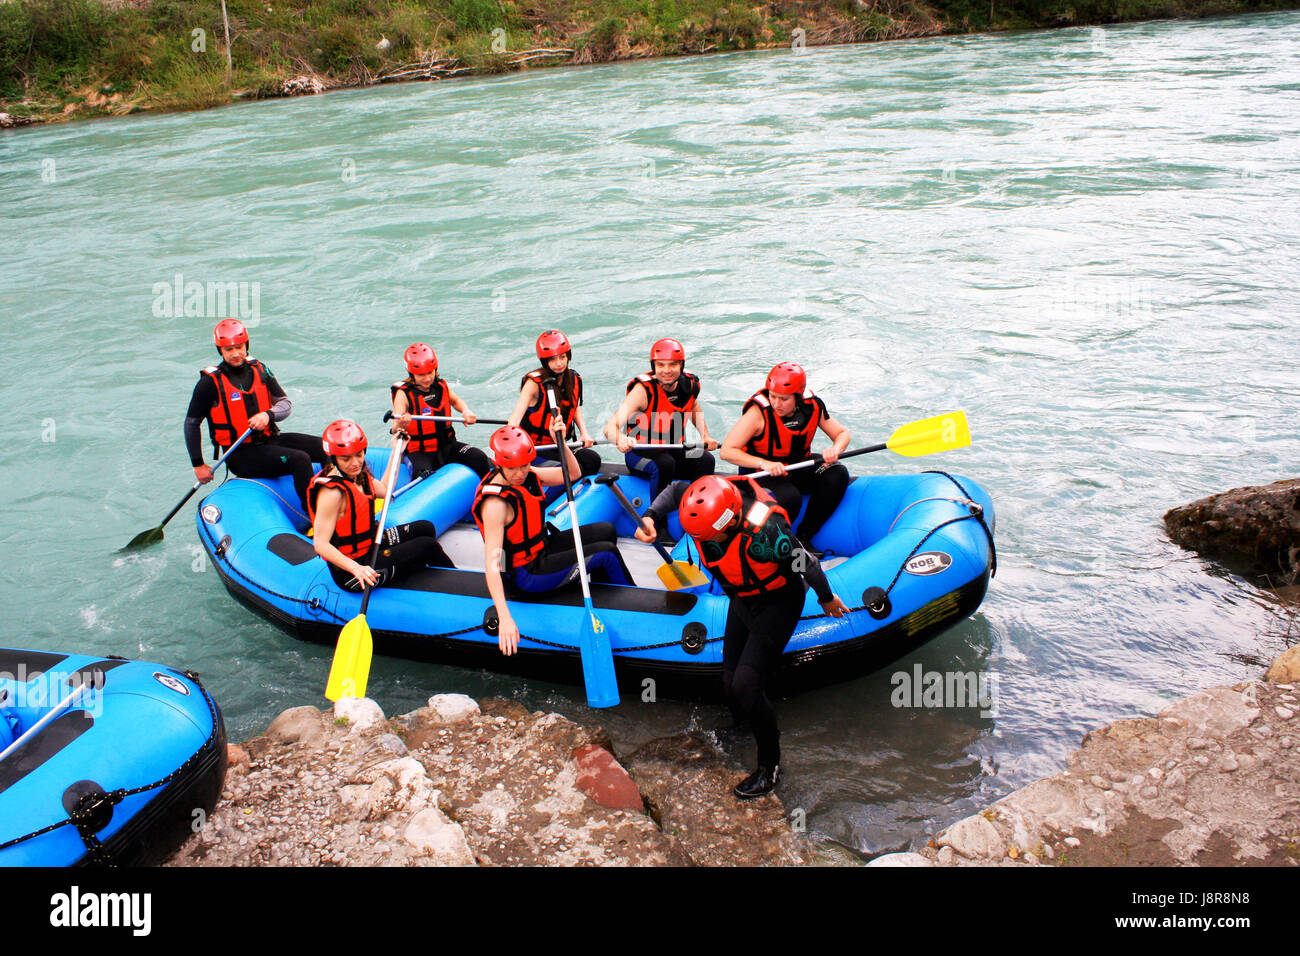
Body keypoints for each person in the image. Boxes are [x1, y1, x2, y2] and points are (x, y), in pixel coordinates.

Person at [676, 475, 848, 799]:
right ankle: (742, 726)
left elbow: (806, 564)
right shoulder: (706, 517)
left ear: (729, 519)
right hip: (743, 598)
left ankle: (770, 768)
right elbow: (675, 492)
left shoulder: (766, 533)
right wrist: (652, 518)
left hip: (779, 602)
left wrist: (826, 598)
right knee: (729, 680)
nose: (705, 539)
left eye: (710, 534)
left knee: (746, 684)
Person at [474, 426, 633, 657]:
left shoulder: (526, 473)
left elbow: (573, 473)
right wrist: (505, 617)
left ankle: (607, 601)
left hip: (543, 548)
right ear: (497, 464)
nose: (519, 473)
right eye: (512, 468)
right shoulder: (496, 505)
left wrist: (559, 440)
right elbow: (492, 565)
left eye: (524, 465)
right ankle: (634, 610)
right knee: (606, 553)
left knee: (606, 531)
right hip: (527, 575)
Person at [184, 319, 326, 512]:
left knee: (326, 447)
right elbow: (192, 423)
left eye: (239, 347)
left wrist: (269, 415)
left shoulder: (260, 369)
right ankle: (315, 515)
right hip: (240, 454)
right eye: (228, 349)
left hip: (270, 440)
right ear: (221, 351)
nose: (235, 353)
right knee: (299, 459)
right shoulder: (209, 383)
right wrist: (198, 465)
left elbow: (285, 404)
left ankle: (341, 497)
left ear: (246, 345)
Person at [720, 362, 851, 553]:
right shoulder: (758, 414)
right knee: (790, 497)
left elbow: (841, 434)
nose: (776, 404)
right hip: (761, 470)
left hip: (796, 466)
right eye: (773, 396)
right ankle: (770, 544)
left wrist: (835, 449)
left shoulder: (812, 406)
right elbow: (727, 451)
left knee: (837, 472)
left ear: (798, 397)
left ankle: (804, 537)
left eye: (784, 399)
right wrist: (764, 464)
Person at [309, 419, 454, 591]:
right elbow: (320, 544)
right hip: (354, 572)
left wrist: (396, 451)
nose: (355, 462)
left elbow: (384, 490)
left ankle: (419, 568)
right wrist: (357, 569)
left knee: (425, 528)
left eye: (359, 454)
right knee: (427, 546)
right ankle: (460, 586)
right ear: (333, 459)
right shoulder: (332, 493)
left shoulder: (358, 476)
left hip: (370, 545)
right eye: (346, 458)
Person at [603, 337, 719, 501]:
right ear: (653, 367)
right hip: (640, 454)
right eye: (661, 365)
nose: (667, 370)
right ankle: (657, 520)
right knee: (664, 464)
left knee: (706, 460)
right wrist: (620, 438)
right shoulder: (642, 392)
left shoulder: (690, 385)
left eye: (673, 364)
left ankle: (695, 505)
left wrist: (705, 435)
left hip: (673, 448)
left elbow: (693, 407)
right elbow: (609, 427)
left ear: (681, 366)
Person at [390, 343, 492, 480]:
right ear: (411, 373)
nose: (426, 379)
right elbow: (395, 428)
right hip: (419, 451)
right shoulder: (403, 394)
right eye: (421, 375)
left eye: (429, 373)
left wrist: (466, 411)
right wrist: (402, 422)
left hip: (447, 445)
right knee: (424, 475)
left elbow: (456, 401)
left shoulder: (441, 386)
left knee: (478, 457)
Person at [507, 330, 600, 477]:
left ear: (568, 356)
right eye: (552, 359)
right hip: (536, 449)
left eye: (562, 357)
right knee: (566, 468)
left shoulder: (574, 378)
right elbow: (514, 421)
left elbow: (573, 407)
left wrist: (584, 432)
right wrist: (515, 455)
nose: (559, 363)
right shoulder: (533, 384)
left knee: (592, 459)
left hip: (559, 444)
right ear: (545, 362)